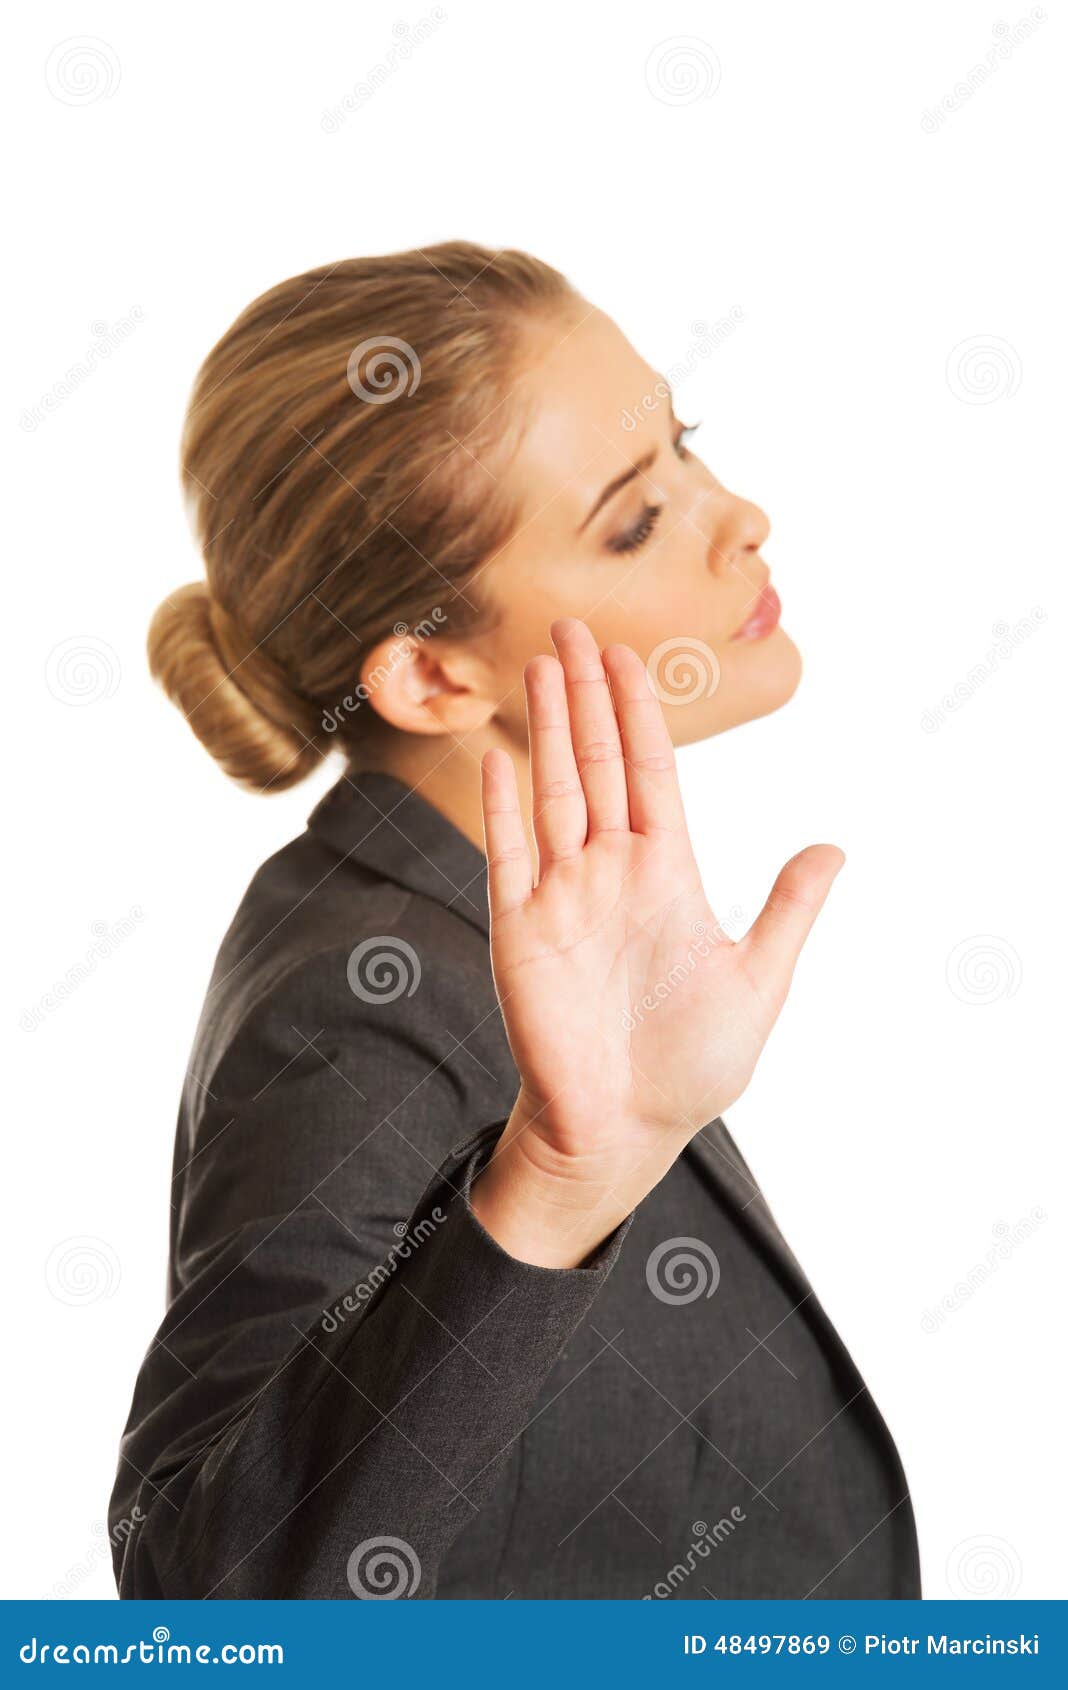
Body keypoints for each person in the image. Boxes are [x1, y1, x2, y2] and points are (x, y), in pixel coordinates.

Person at [110, 241, 919, 1600]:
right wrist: (556, 1176)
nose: (744, 517)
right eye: (632, 519)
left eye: (688, 447)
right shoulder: (353, 1005)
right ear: (431, 672)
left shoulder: (530, 921)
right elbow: (213, 1599)